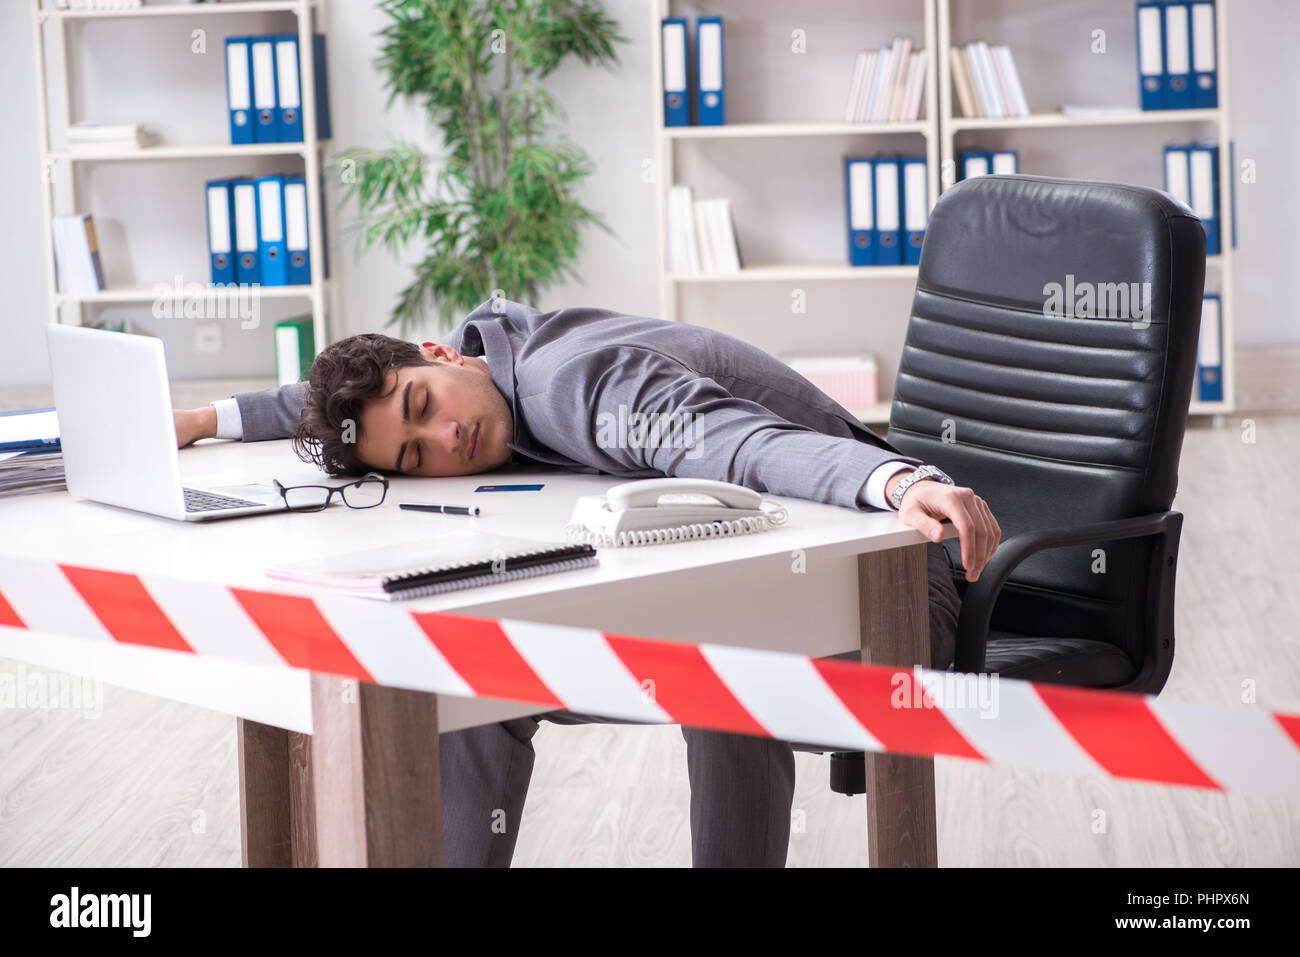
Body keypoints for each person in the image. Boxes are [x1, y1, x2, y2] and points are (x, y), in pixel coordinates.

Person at [174, 297, 1001, 867]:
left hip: (892, 592)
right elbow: (345, 400)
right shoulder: (482, 357)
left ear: (439, 354)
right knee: (470, 670)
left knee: (725, 669)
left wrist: (895, 483)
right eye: (415, 454)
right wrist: (210, 418)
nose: (446, 436)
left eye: (427, 405)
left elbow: (737, 445)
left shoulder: (577, 384)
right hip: (787, 583)